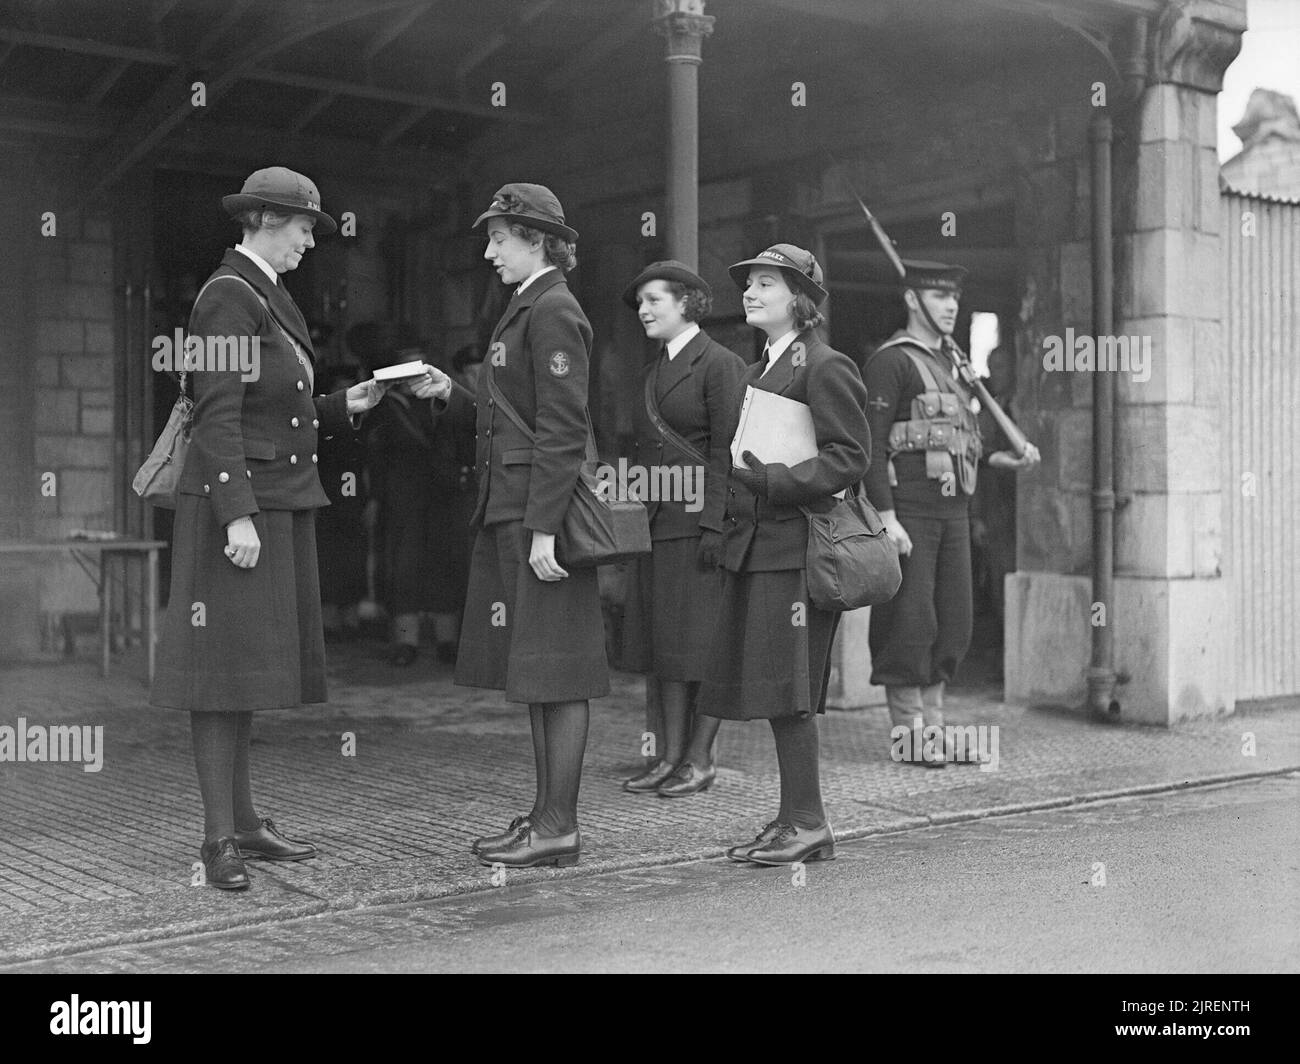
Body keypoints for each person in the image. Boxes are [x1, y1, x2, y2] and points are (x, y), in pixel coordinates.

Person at [149, 167, 445, 890]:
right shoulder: (226, 296)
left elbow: (278, 408)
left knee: (244, 667)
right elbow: (217, 412)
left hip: (272, 501)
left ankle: (244, 822)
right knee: (220, 673)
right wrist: (237, 513)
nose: (312, 242)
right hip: (240, 507)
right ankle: (219, 838)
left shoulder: (266, 296)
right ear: (263, 221)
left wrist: (350, 403)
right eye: (305, 228)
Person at [432, 183, 607, 869]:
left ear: (534, 239)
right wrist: (453, 396)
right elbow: (518, 410)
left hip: (540, 516)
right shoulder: (528, 305)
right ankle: (544, 816)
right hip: (514, 507)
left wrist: (544, 529)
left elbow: (564, 427)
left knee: (558, 670)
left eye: (498, 239)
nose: (488, 251)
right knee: (536, 668)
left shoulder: (553, 308)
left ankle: (560, 823)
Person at [697, 244, 871, 865]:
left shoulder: (824, 364)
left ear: (799, 300)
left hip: (797, 550)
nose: (750, 293)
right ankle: (793, 818)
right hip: (757, 549)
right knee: (775, 686)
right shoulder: (756, 370)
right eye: (748, 283)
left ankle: (809, 822)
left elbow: (850, 457)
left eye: (766, 284)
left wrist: (776, 480)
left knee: (792, 689)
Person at [862, 261, 1039, 766]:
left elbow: (957, 434)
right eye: (939, 297)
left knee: (953, 620)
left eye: (955, 299)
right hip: (910, 513)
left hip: (954, 512)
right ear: (912, 300)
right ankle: (909, 737)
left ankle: (932, 732)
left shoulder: (953, 366)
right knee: (909, 621)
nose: (950, 307)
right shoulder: (890, 362)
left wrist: (995, 457)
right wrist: (886, 516)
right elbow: (871, 445)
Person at [618, 261, 745, 798]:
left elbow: (729, 451)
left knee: (703, 648)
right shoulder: (653, 373)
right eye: (642, 302)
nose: (644, 311)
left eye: (655, 300)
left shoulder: (720, 365)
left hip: (702, 528)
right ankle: (670, 756)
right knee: (666, 647)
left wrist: (717, 524)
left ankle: (700, 759)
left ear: (688, 304)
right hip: (658, 525)